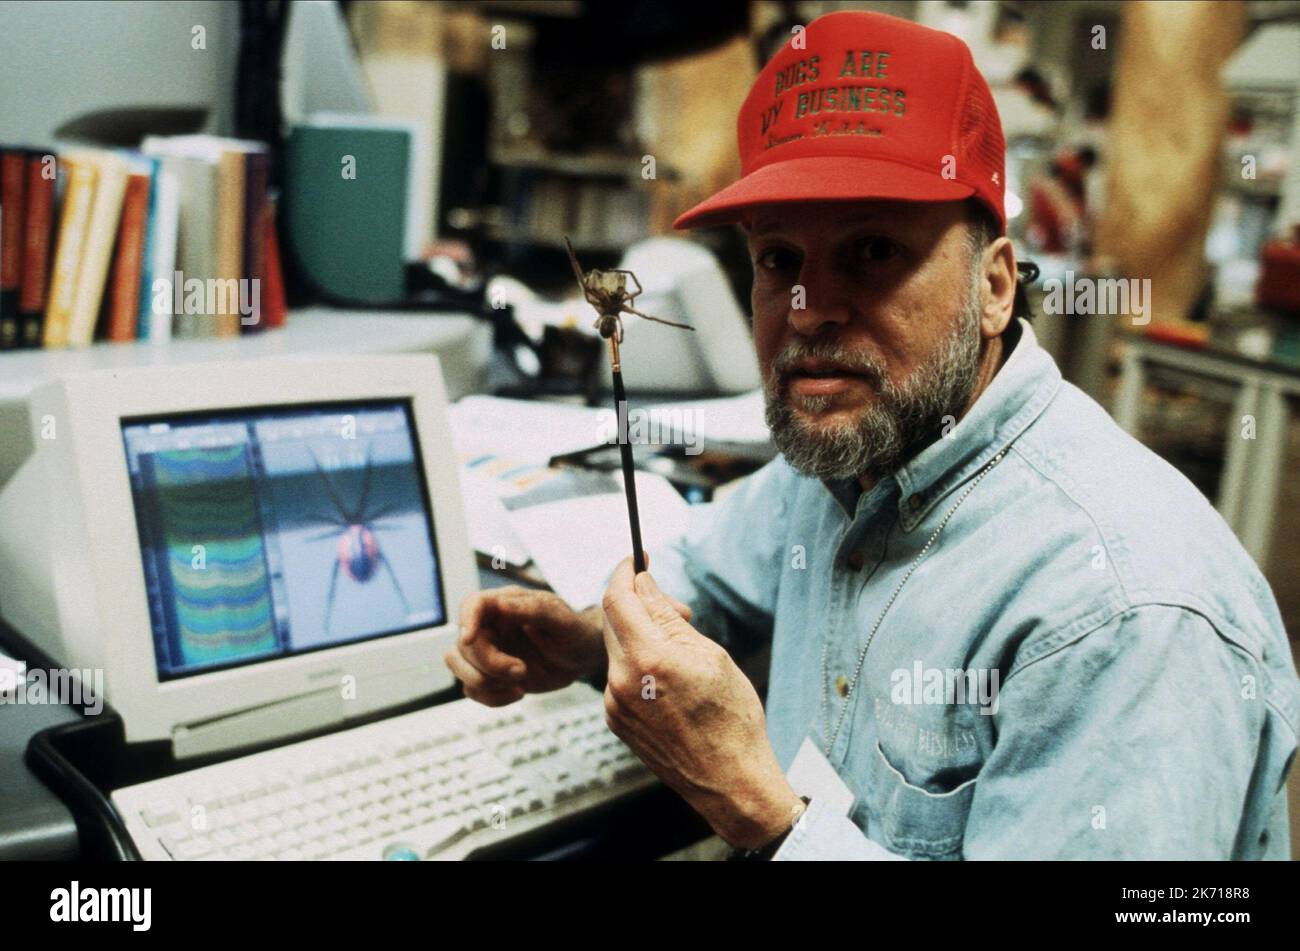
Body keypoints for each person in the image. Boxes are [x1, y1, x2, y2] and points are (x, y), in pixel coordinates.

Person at [446, 10, 1300, 860]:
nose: (810, 312)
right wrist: (593, 639)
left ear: (996, 286)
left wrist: (761, 812)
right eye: (780, 259)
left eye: (875, 252)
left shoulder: (1124, 615)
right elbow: (709, 577)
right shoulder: (849, 452)